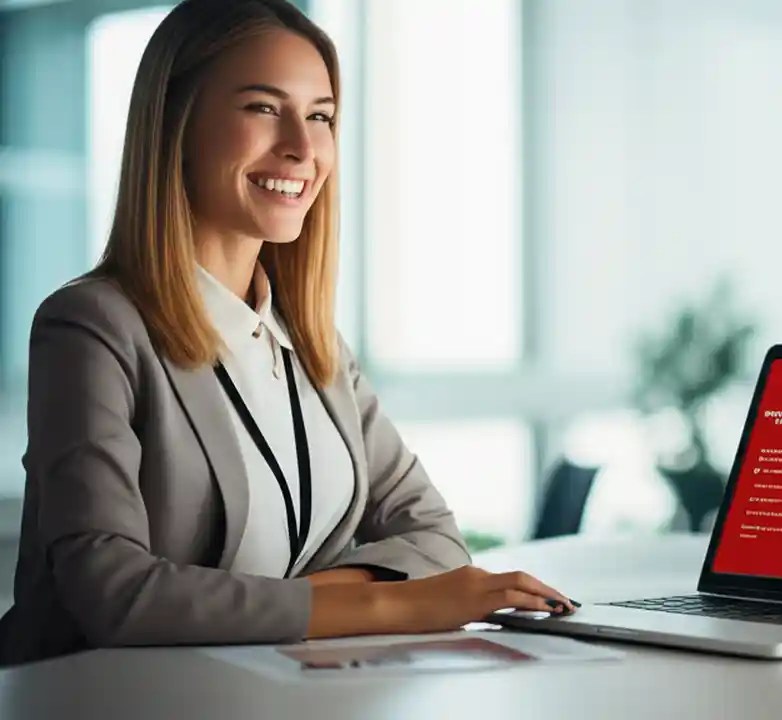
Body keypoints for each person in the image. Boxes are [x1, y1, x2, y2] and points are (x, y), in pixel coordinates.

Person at [0, 0, 573, 667]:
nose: (302, 147)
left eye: (321, 116)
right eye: (264, 108)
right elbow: (113, 592)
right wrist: (393, 604)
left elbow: (437, 541)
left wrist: (294, 601)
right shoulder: (93, 325)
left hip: (266, 691)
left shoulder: (310, 344)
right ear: (176, 124)